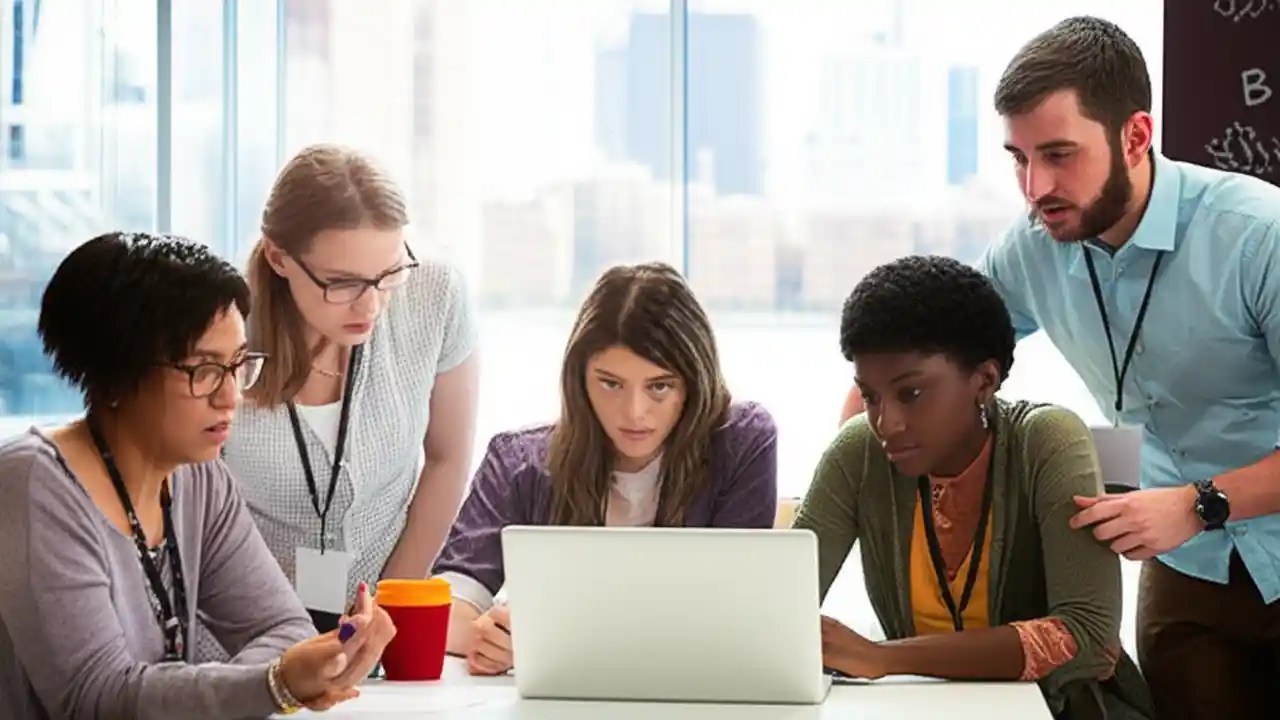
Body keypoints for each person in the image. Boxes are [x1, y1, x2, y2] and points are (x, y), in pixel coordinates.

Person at [839, 17, 1280, 717]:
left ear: (1135, 136)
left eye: (1058, 155)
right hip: (1185, 573)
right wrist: (859, 465)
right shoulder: (1032, 245)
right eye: (1018, 158)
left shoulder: (1257, 237)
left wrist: (1197, 504)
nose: (1034, 186)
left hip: (1213, 523)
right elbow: (914, 352)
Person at [0, 232, 395, 719]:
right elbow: (95, 698)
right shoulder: (33, 485)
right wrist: (273, 682)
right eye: (203, 370)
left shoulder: (198, 478)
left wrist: (278, 677)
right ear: (116, 374)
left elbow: (283, 627)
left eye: (237, 365)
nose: (230, 397)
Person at [801, 256, 1152, 719]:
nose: (886, 422)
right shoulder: (859, 452)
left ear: (984, 381)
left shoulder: (1047, 440)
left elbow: (1087, 637)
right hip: (923, 711)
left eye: (911, 393)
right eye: (870, 396)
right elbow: (778, 605)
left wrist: (883, 657)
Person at [431, 262, 779, 676]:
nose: (634, 412)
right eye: (610, 384)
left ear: (694, 382)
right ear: (579, 380)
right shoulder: (518, 461)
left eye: (659, 386)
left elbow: (737, 610)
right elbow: (445, 606)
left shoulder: (741, 443)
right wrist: (489, 638)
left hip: (693, 689)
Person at [219, 143, 479, 636]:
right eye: (342, 283)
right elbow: (197, 517)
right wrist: (282, 645)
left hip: (383, 622)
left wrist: (388, 611)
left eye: (388, 273)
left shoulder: (436, 295)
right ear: (278, 257)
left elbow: (447, 460)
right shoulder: (224, 333)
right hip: (245, 629)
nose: (371, 305)